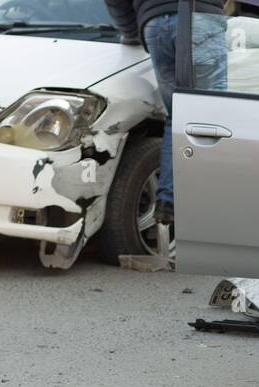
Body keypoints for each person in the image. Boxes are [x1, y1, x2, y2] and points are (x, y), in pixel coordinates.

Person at [105, 0, 228, 227]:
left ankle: (168, 202)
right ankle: (209, 208)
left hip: (153, 25)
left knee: (179, 117)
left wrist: (133, 31)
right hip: (198, 16)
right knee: (210, 118)